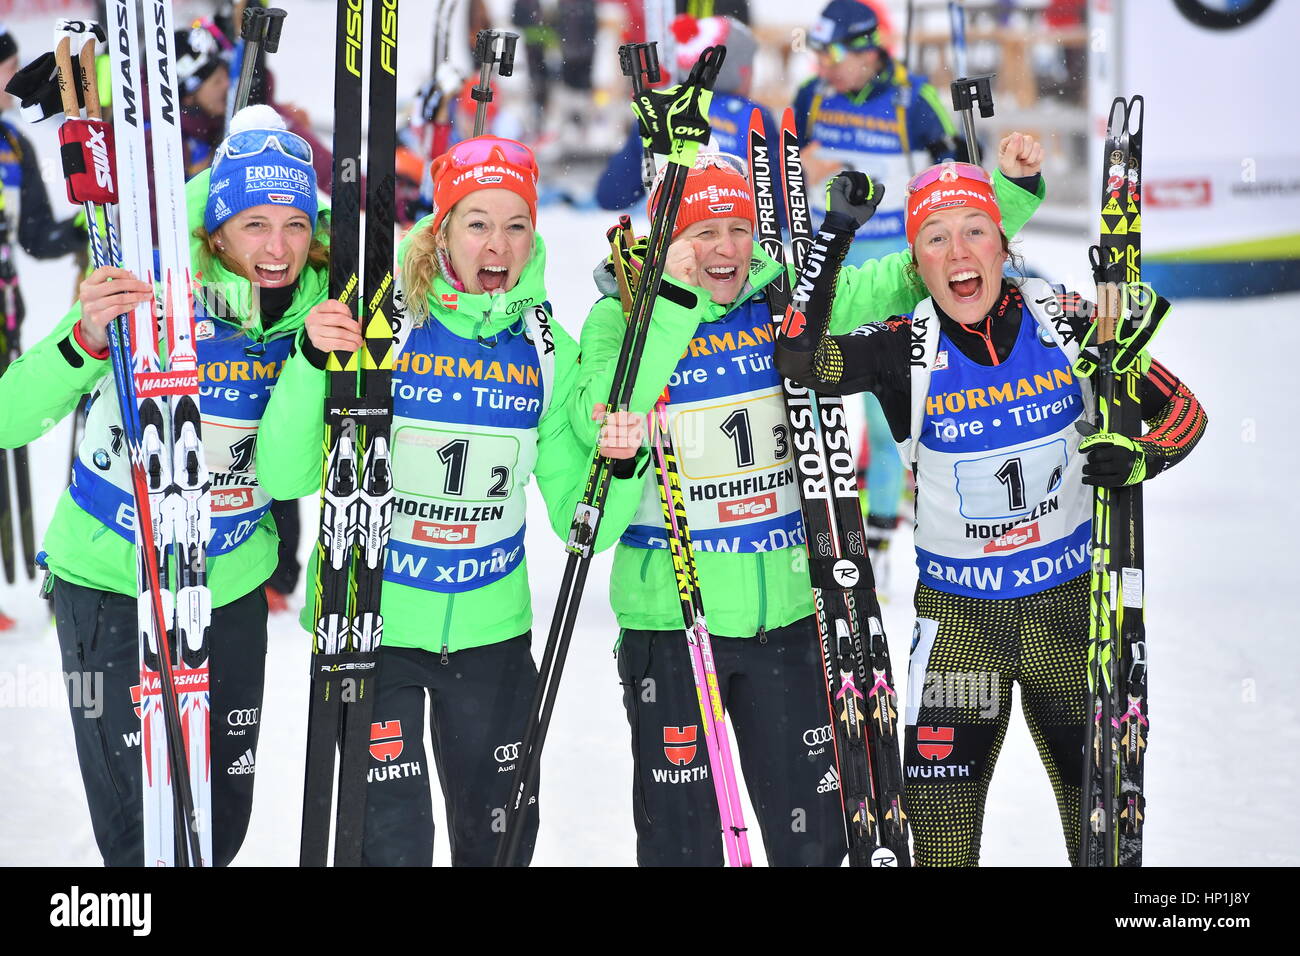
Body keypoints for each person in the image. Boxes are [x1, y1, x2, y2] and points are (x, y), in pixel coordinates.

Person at [573, 135, 1045, 866]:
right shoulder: (622, 315)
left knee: (814, 838)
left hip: (794, 615)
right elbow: (599, 414)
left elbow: (904, 277)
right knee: (683, 839)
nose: (724, 248)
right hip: (673, 616)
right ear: (671, 238)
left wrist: (1002, 199)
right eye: (703, 232)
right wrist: (669, 304)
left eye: (737, 228)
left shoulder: (785, 301)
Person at [774, 160, 1207, 865]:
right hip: (962, 633)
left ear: (1003, 246)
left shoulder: (1066, 320)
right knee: (942, 848)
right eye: (935, 239)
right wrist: (837, 236)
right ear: (916, 262)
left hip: (1070, 620)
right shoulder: (901, 346)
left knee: (1101, 842)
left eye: (976, 231)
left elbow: (1185, 413)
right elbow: (798, 359)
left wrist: (1140, 458)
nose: (958, 253)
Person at [256, 135, 642, 866]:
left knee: (496, 840)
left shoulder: (547, 350)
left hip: (491, 639)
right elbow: (281, 476)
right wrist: (313, 361)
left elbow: (581, 525)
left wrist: (620, 463)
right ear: (441, 230)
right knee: (388, 846)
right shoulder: (384, 325)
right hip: (372, 627)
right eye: (477, 222)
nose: (498, 245)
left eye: (516, 224)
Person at [0, 105, 327, 865]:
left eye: (294, 225)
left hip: (231, 585)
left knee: (217, 828)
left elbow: (289, 475)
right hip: (111, 581)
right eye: (253, 224)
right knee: (140, 836)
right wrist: (84, 338)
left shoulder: (313, 314)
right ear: (217, 230)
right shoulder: (145, 284)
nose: (276, 249)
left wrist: (312, 362)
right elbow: (11, 415)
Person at [793, 0, 964, 579]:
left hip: (892, 265)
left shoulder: (913, 99)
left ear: (868, 48)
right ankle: (818, 521)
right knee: (808, 382)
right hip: (828, 261)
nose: (823, 65)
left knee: (885, 392)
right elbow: (776, 176)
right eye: (816, 51)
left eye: (833, 53)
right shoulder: (812, 97)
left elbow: (960, 173)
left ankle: (885, 530)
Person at [595, 15, 778, 212]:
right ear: (740, 71)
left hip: (671, 232)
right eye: (750, 66)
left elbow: (611, 195)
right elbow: (781, 202)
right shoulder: (754, 116)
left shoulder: (655, 109)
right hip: (735, 228)